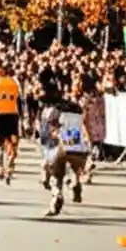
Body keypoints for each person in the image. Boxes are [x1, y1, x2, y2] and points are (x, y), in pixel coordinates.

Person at [39, 81, 89, 216]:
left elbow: (48, 130)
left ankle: (57, 197)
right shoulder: (75, 107)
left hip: (60, 142)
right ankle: (75, 183)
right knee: (73, 167)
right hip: (77, 141)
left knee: (55, 174)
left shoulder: (49, 110)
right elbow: (83, 122)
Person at [0, 65, 22, 184]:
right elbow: (18, 98)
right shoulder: (13, 82)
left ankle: (0, 167)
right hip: (12, 115)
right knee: (12, 140)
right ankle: (10, 162)